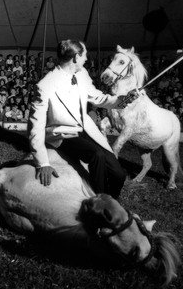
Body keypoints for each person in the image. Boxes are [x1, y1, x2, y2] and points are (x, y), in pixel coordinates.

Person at [28, 40, 129, 198]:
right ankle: (100, 203)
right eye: (85, 55)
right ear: (76, 57)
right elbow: (35, 127)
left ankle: (113, 203)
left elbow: (97, 97)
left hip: (86, 130)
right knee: (97, 155)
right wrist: (43, 163)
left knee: (118, 174)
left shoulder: (82, 73)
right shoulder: (45, 85)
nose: (87, 59)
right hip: (61, 134)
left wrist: (122, 100)